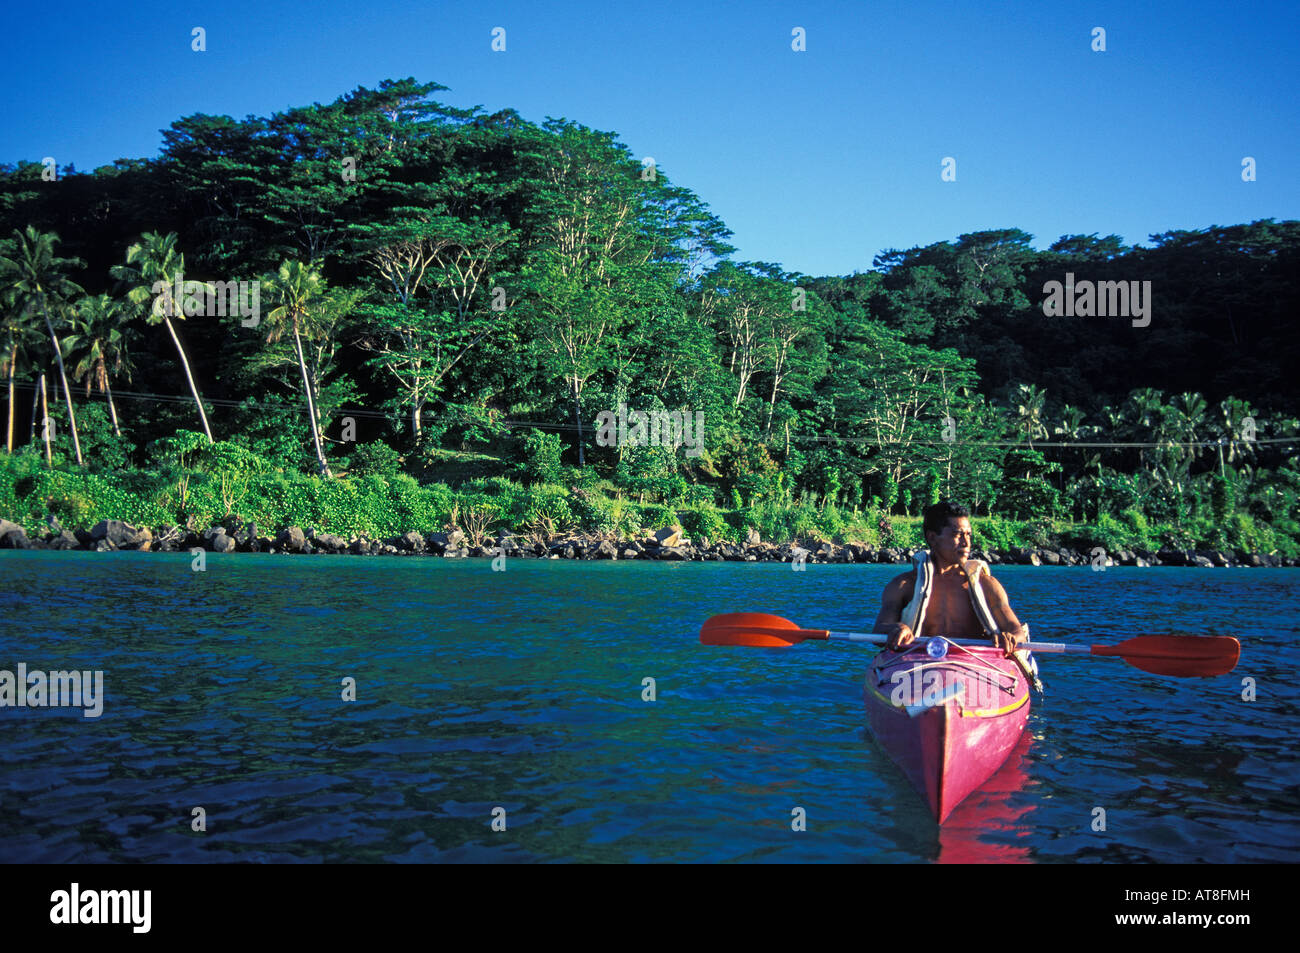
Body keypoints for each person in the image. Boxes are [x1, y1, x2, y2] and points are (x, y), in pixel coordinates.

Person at [872, 500, 1028, 656]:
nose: (966, 543)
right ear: (932, 538)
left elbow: (1017, 631)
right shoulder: (903, 585)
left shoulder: (987, 585)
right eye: (957, 534)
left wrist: (1010, 637)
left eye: (968, 535)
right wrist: (896, 629)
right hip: (917, 666)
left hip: (976, 668)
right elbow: (878, 632)